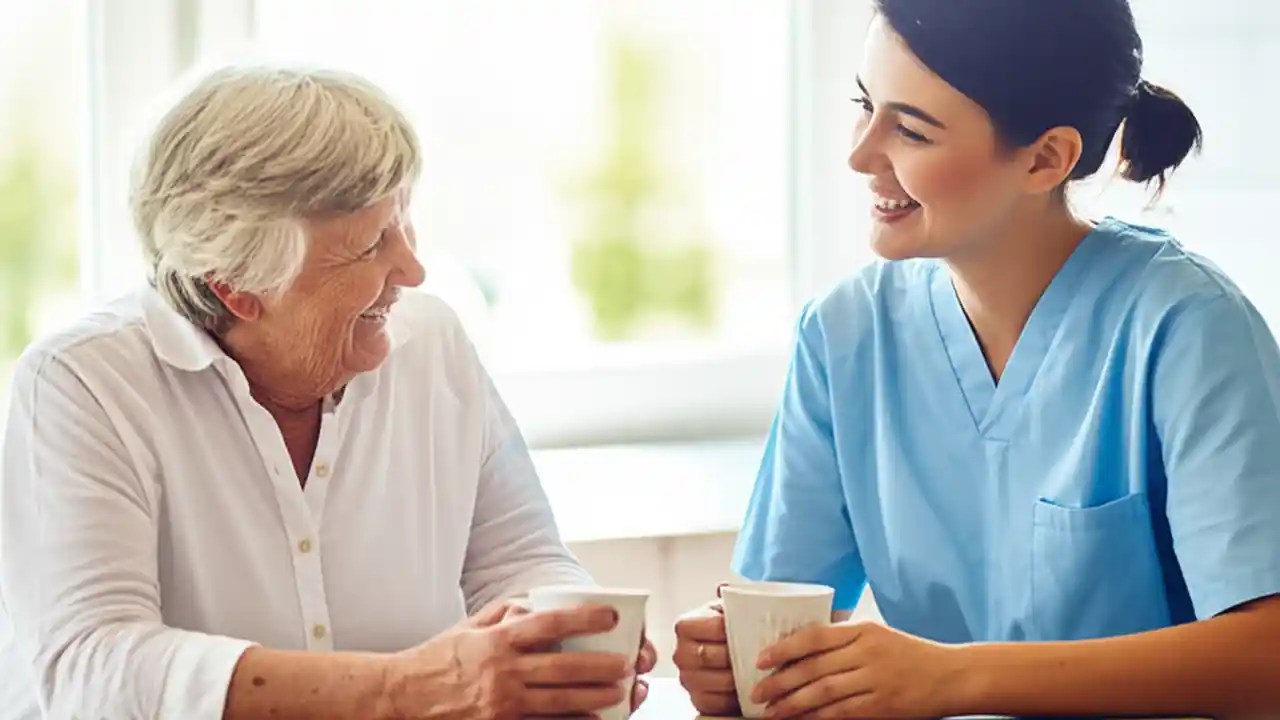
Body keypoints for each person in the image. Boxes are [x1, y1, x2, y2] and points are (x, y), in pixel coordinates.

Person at [675, 1, 1280, 717]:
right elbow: (775, 620)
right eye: (865, 106)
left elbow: (1265, 658)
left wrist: (953, 679)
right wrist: (735, 666)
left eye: (909, 129)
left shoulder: (1187, 327)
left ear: (1045, 157)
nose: (861, 154)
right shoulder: (843, 336)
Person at [0, 66, 654, 719]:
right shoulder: (81, 385)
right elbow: (92, 665)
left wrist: (573, 643)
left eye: (404, 224)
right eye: (372, 244)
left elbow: (520, 561)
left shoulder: (432, 343)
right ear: (237, 284)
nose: (413, 269)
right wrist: (406, 688)